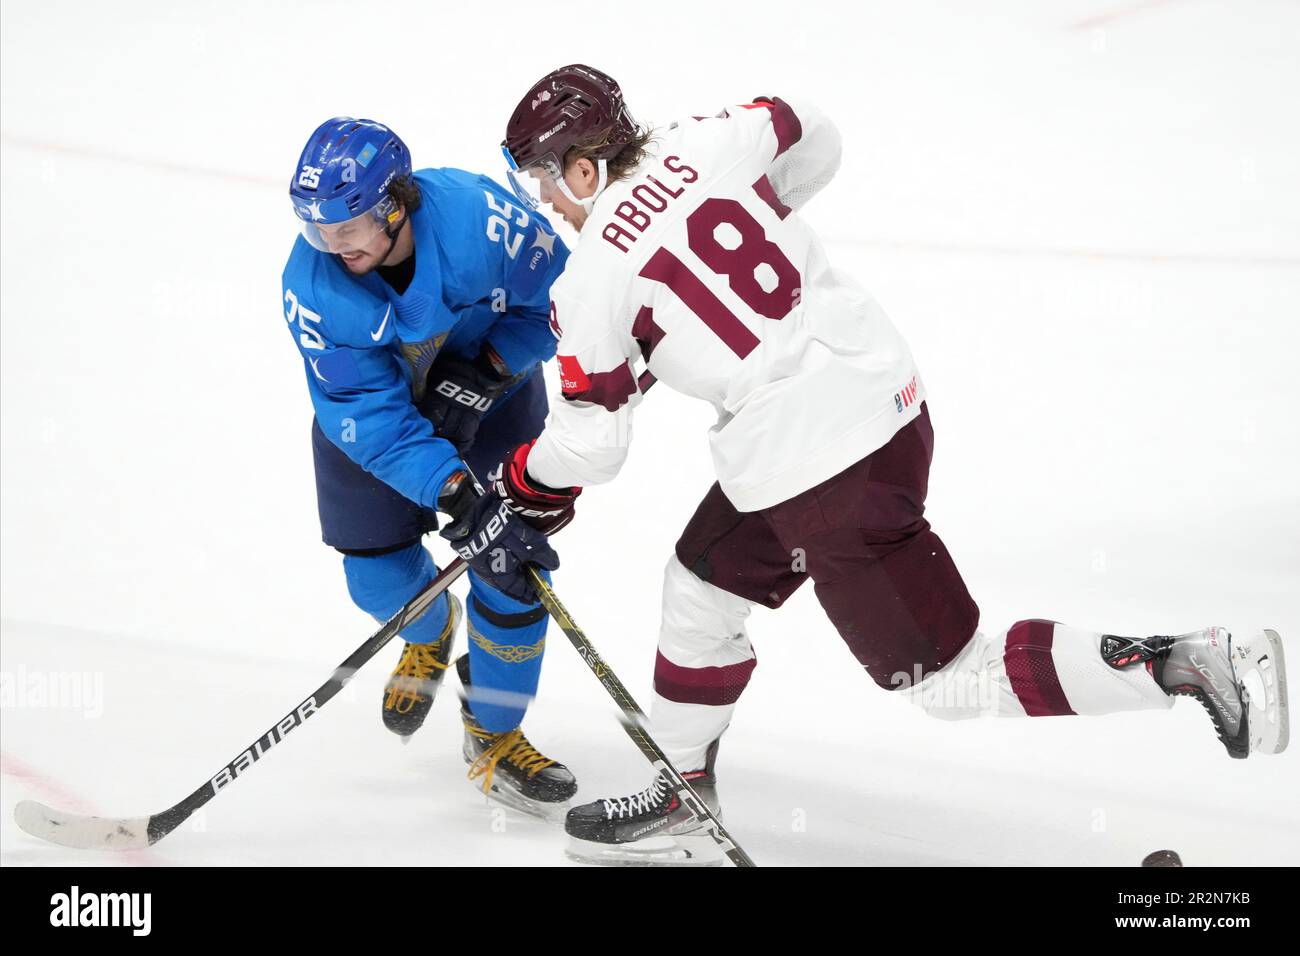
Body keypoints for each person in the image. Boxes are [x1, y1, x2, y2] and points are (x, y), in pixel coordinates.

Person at [458, 66, 1292, 863]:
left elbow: (593, 446)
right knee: (700, 585)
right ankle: (682, 793)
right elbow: (812, 130)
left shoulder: (592, 278)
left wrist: (522, 482)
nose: (545, 201)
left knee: (947, 676)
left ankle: (1190, 662)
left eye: (543, 178)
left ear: (582, 164)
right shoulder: (707, 140)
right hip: (876, 405)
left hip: (818, 471)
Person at [281, 116, 578, 819]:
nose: (331, 241)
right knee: (376, 580)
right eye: (316, 224)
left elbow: (562, 303)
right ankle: (428, 629)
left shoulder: (486, 219)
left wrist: (490, 367)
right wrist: (453, 493)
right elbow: (369, 417)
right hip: (373, 428)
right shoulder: (313, 287)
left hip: (496, 407)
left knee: (510, 570)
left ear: (395, 202)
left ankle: (495, 735)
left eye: (347, 222)